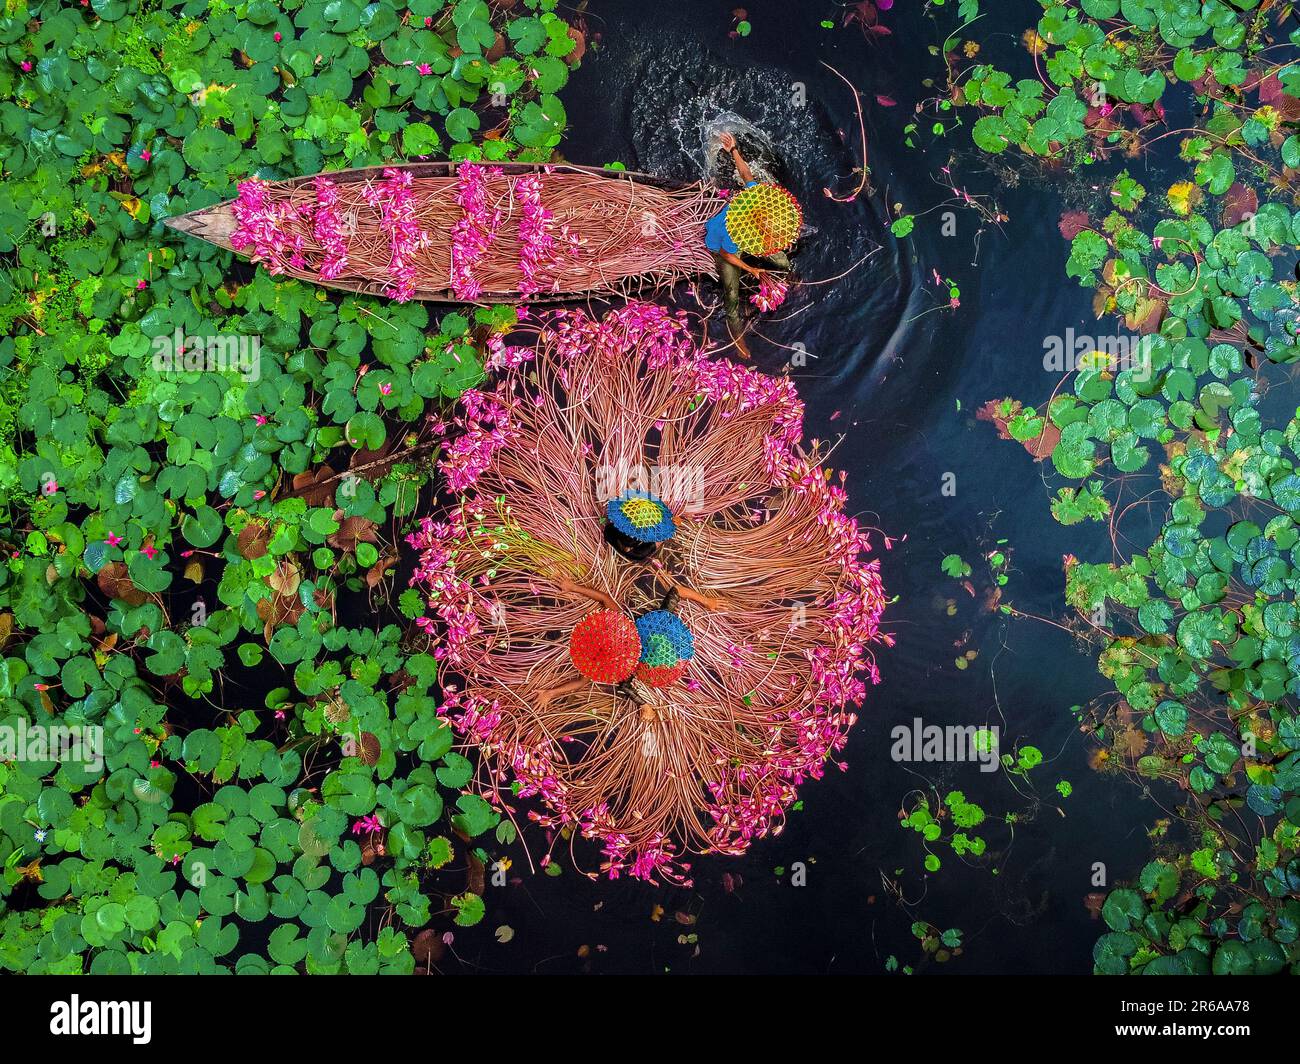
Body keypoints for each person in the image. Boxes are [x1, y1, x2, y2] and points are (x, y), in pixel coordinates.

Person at [704, 133, 793, 359]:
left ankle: (792, 279)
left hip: (746, 239)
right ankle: (738, 340)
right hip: (723, 248)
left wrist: (733, 149)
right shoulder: (734, 231)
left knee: (782, 260)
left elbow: (745, 174)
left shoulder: (754, 199)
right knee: (732, 298)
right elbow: (727, 253)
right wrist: (752, 270)